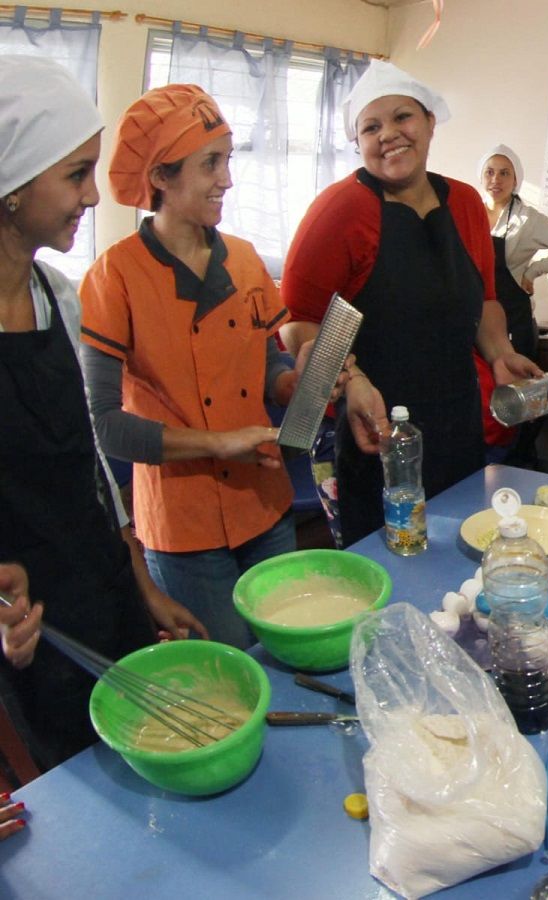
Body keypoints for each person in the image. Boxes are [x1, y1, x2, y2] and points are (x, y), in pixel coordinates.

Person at [0, 58, 204, 769]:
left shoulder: (57, 297)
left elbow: (90, 465)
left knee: (143, 758)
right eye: (76, 174)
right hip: (28, 622)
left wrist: (140, 582)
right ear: (14, 187)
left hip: (101, 585)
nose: (94, 193)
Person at [280, 61, 540, 547]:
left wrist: (499, 352)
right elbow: (297, 325)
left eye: (403, 118)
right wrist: (351, 382)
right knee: (387, 564)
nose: (389, 135)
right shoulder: (339, 212)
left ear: (429, 123)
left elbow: (482, 301)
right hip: (375, 430)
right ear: (357, 142)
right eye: (371, 127)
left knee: (462, 552)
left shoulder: (463, 202)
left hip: (458, 420)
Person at [79, 85, 299, 649]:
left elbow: (267, 356)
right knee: (227, 679)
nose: (227, 179)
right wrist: (218, 442)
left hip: (265, 503)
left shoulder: (245, 259)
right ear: (160, 176)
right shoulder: (116, 277)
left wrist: (292, 380)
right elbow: (104, 424)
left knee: (287, 652)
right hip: (184, 529)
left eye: (227, 160)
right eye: (211, 163)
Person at [478, 144, 548, 464]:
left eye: (505, 173)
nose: (495, 179)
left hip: (514, 324)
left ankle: (519, 463)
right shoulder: (471, 212)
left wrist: (534, 271)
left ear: (516, 179)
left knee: (517, 402)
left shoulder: (527, 219)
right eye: (490, 171)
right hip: (477, 326)